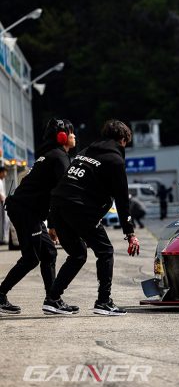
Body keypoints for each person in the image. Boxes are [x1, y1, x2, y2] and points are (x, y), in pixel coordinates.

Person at [45, 120, 140, 316]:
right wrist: (130, 233)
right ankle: (103, 302)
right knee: (105, 251)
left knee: (78, 253)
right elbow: (122, 200)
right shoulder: (115, 160)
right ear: (122, 140)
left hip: (58, 204)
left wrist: (52, 222)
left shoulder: (85, 152)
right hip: (79, 207)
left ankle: (52, 299)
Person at [0, 119, 76, 315]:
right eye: (71, 132)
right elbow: (62, 193)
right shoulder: (59, 157)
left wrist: (51, 224)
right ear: (62, 137)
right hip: (26, 211)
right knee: (31, 258)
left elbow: (52, 193)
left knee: (49, 252)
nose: (74, 136)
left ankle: (52, 299)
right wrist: (58, 224)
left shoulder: (50, 156)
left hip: (29, 211)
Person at [0, 165, 8, 245]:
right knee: (2, 221)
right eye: (4, 172)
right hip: (1, 203)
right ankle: (2, 239)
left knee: (4, 221)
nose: (5, 174)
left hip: (2, 203)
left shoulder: (1, 181)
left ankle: (3, 238)